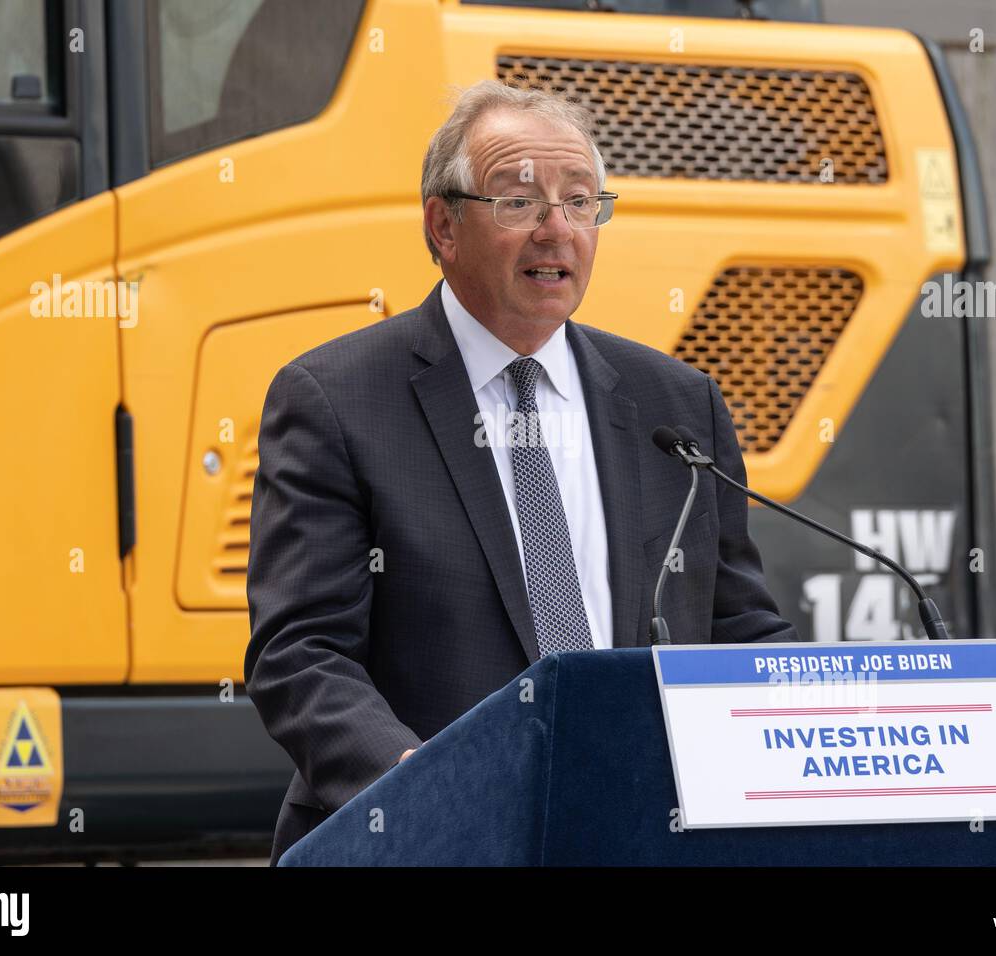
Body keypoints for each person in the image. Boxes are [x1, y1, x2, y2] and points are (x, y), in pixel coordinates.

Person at [244, 80, 797, 865]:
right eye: (518, 202)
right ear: (443, 225)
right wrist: (424, 784)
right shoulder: (336, 400)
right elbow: (300, 651)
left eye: (580, 202)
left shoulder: (675, 405)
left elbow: (736, 624)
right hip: (426, 840)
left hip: (634, 832)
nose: (556, 230)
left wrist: (814, 723)